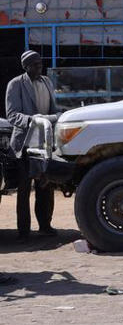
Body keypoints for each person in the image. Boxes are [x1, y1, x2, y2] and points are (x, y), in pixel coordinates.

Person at [5, 50, 59, 239]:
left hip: (44, 141)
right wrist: (32, 119)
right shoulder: (15, 84)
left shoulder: (47, 82)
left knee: (45, 183)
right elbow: (12, 115)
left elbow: (54, 110)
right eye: (35, 64)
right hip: (24, 143)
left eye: (40, 63)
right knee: (24, 187)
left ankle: (45, 225)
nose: (39, 67)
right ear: (26, 66)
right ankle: (24, 231)